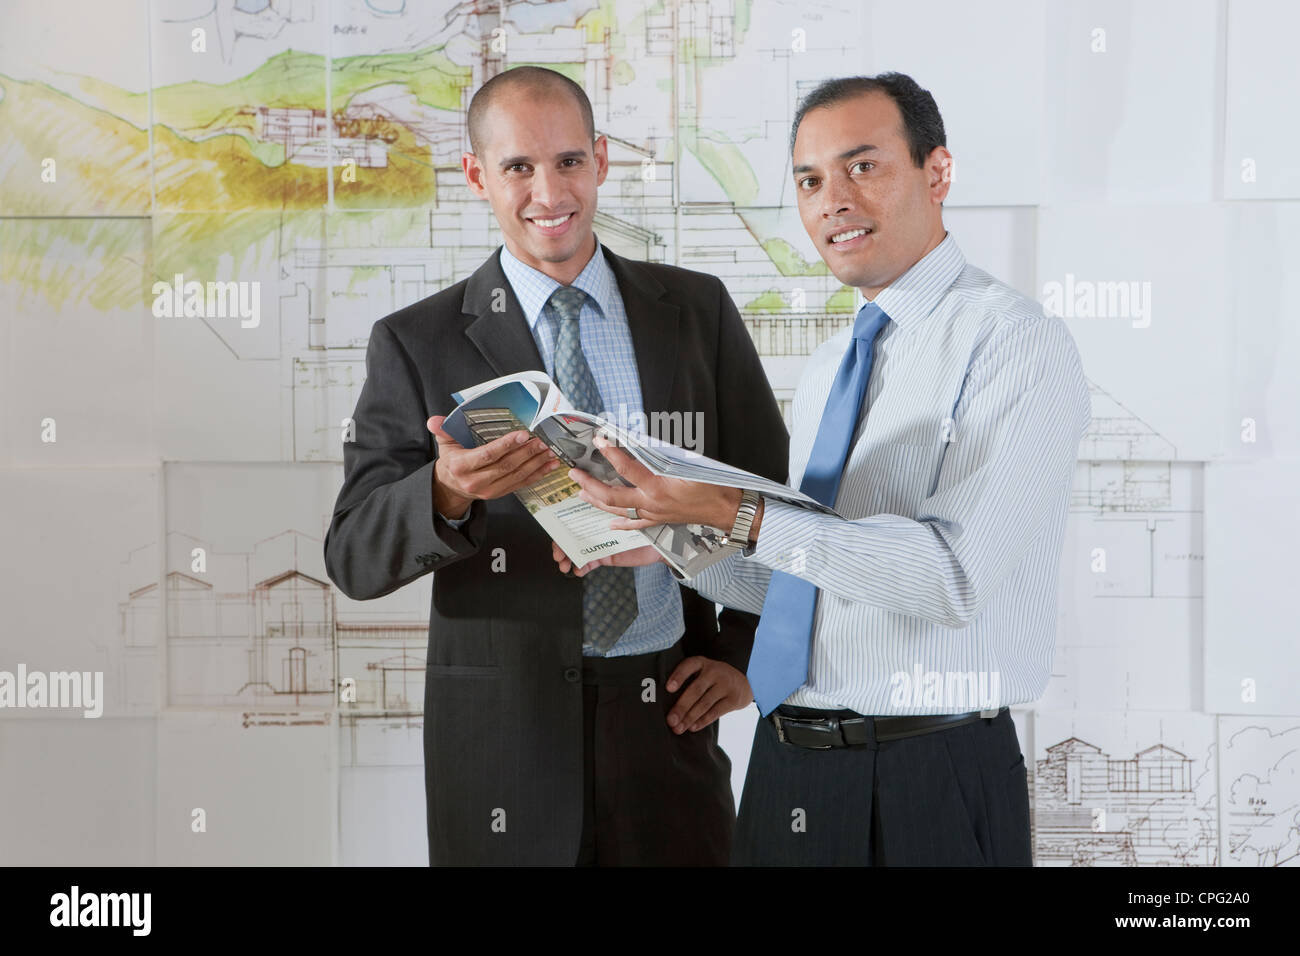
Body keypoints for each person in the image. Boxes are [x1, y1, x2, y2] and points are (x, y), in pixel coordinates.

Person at [559, 73, 1092, 866]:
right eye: (810, 180)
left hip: (929, 772)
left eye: (863, 166)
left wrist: (732, 510)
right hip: (786, 770)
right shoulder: (830, 364)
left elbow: (951, 577)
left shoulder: (1015, 343)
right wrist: (669, 535)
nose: (831, 199)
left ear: (936, 172)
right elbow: (804, 584)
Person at [323, 66, 789, 866]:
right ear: (476, 176)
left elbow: (771, 503)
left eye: (569, 161)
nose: (549, 190)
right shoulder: (416, 342)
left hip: (668, 718)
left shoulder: (697, 311)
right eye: (518, 167)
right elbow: (353, 558)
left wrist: (748, 659)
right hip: (504, 742)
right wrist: (444, 492)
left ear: (602, 160)